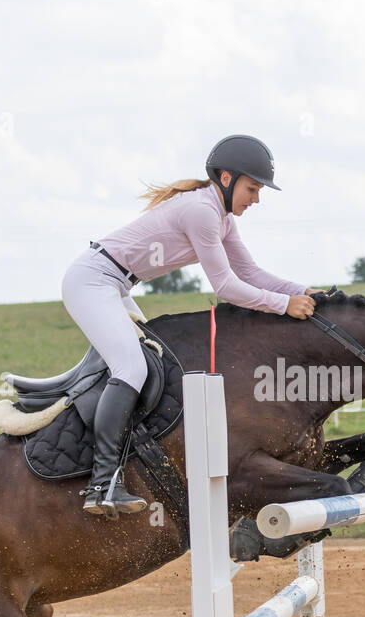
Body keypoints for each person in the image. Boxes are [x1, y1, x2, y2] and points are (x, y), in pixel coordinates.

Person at [62, 134, 317, 517]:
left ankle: (123, 465)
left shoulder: (220, 215)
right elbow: (227, 287)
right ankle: (101, 485)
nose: (257, 199)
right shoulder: (201, 211)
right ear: (227, 179)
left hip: (115, 283)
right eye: (253, 188)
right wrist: (285, 305)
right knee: (131, 368)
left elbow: (249, 272)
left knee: (152, 368)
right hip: (94, 280)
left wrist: (307, 292)